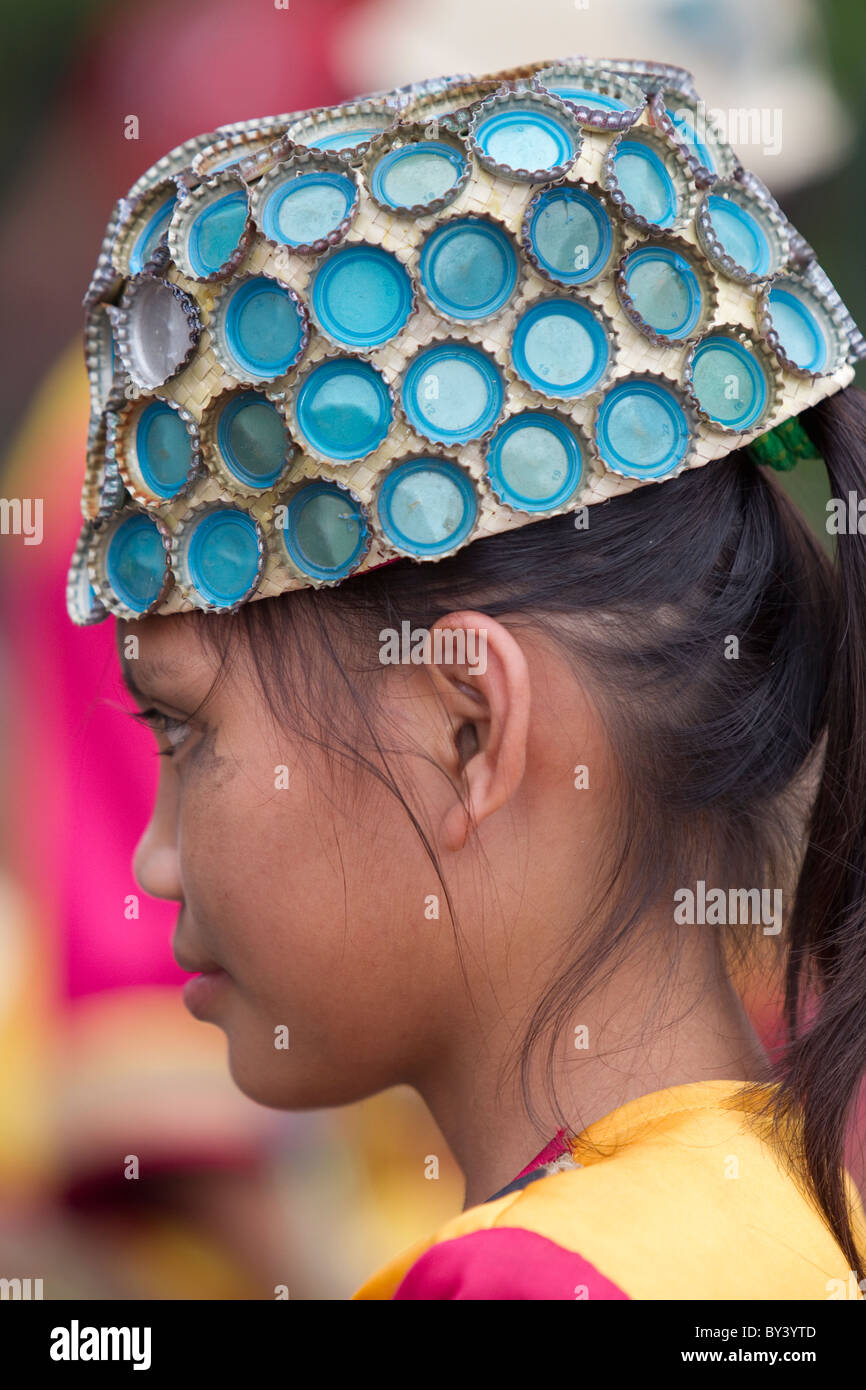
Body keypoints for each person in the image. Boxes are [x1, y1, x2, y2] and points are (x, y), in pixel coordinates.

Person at [67, 57, 866, 1299]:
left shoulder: (521, 1280)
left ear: (465, 727)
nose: (151, 858)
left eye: (185, 730)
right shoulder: (793, 1225)